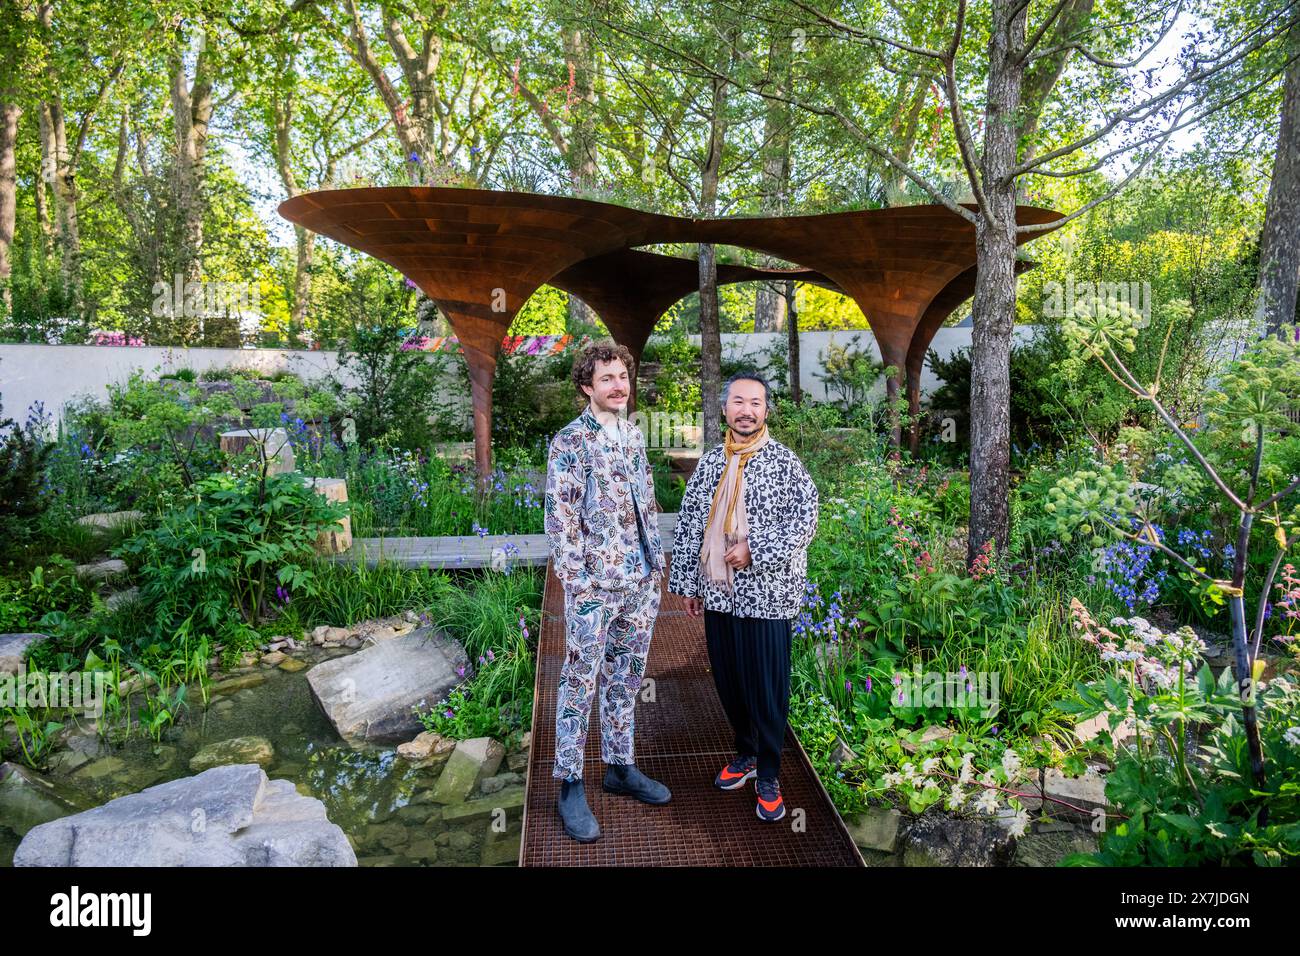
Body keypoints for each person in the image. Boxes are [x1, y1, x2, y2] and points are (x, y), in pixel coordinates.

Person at [668, 371, 819, 823]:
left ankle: (770, 773)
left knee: (767, 688)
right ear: (725, 409)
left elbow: (805, 521)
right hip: (720, 593)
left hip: (768, 595)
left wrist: (756, 550)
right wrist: (690, 586)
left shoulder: (785, 463)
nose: (746, 410)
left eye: (755, 403)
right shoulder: (712, 463)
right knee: (730, 682)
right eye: (738, 402)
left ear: (766, 411)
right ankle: (746, 753)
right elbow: (692, 523)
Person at [543, 341, 671, 843]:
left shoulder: (634, 436)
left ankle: (619, 766)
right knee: (579, 682)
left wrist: (655, 564)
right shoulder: (569, 442)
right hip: (596, 585)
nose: (619, 386)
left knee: (627, 676)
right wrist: (580, 584)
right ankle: (569, 783)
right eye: (607, 379)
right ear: (586, 387)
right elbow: (561, 520)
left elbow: (648, 499)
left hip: (640, 581)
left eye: (623, 376)